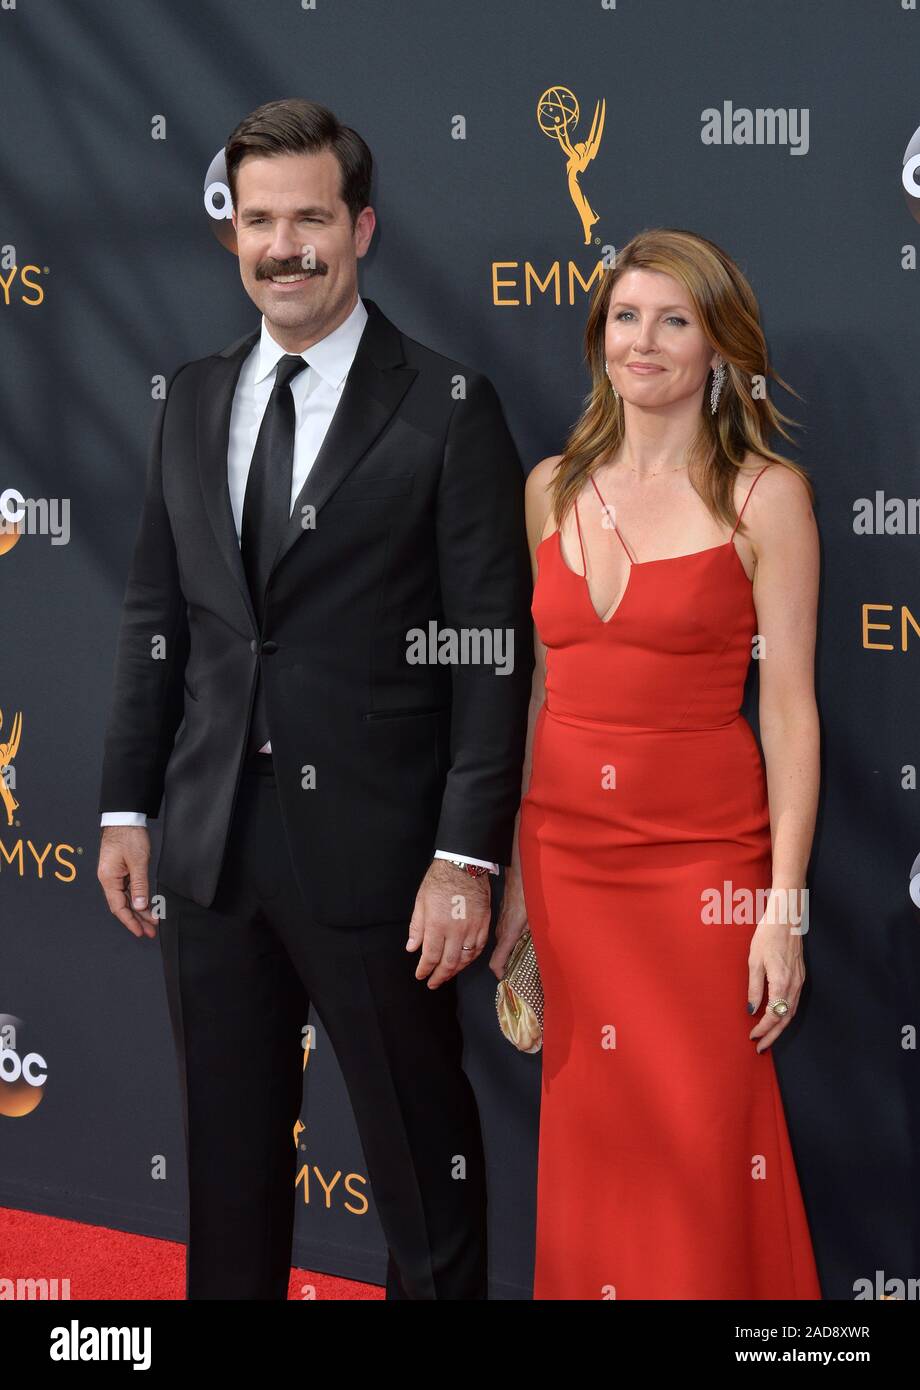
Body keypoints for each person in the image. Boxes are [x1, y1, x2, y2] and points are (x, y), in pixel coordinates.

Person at [96, 97, 533, 1300]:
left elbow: (492, 650)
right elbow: (155, 618)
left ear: (362, 228)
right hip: (213, 850)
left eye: (309, 219)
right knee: (228, 1180)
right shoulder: (190, 396)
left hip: (382, 862)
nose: (281, 246)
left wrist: (464, 856)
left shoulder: (446, 406)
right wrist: (127, 808)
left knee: (419, 1180)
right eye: (257, 220)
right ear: (231, 232)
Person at [493, 228, 822, 1299]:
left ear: (719, 346)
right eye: (626, 317)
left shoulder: (762, 495)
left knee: (694, 1138)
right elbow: (541, 692)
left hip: (698, 873)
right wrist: (512, 881)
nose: (644, 342)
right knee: (594, 1134)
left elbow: (786, 711)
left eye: (673, 320)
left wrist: (779, 908)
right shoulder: (550, 485)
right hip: (564, 860)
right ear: (599, 339)